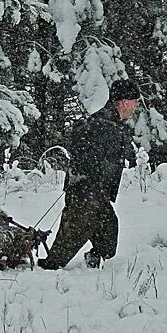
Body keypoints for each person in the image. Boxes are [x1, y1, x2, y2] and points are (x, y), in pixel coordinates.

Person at [38, 79, 140, 269]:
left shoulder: (110, 122)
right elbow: (83, 150)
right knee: (69, 239)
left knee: (108, 237)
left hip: (96, 193)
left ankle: (94, 260)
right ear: (124, 102)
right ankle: (46, 271)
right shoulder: (103, 124)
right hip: (86, 193)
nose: (136, 106)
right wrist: (85, 178)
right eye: (135, 101)